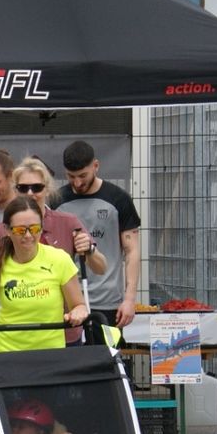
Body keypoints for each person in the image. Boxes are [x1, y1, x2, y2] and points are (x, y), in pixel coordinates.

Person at [0, 158, 109, 345]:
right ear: (15, 190)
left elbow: (101, 268)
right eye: (23, 188)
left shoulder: (67, 222)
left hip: (65, 327)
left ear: (47, 189)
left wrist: (90, 250)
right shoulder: (4, 229)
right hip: (18, 334)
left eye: (37, 187)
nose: (30, 193)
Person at [0, 197, 91, 353]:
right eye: (20, 230)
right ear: (7, 230)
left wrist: (78, 312)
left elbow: (78, 305)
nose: (28, 235)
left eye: (35, 229)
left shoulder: (59, 259)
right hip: (5, 352)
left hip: (50, 353)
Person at [55, 140, 142, 328]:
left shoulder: (118, 199)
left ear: (96, 166)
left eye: (83, 175)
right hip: (67, 301)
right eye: (71, 176)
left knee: (105, 347)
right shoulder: (56, 201)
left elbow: (132, 251)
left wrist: (129, 299)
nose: (77, 182)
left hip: (107, 301)